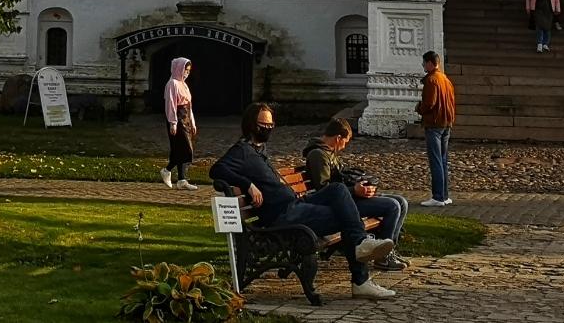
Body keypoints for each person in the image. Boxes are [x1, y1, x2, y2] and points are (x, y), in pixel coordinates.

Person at [210, 104, 399, 301]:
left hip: (296, 203)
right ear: (251, 124)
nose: (268, 128)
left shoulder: (258, 150)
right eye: (263, 124)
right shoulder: (241, 151)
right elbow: (216, 170)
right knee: (348, 218)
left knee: (338, 189)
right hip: (284, 215)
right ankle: (361, 279)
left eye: (271, 124)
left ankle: (361, 247)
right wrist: (247, 184)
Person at [301, 118, 407, 270]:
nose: (344, 146)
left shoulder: (329, 152)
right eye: (345, 141)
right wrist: (354, 190)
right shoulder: (318, 154)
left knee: (401, 201)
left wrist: (362, 186)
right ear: (338, 138)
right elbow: (324, 189)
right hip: (341, 205)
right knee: (393, 206)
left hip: (350, 197)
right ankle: (383, 257)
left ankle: (389, 250)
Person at [418, 50, 456, 206]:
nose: (423, 66)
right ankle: (445, 195)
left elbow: (429, 103)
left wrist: (419, 108)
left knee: (436, 161)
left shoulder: (432, 80)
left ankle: (438, 196)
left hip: (434, 123)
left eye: (424, 63)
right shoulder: (445, 79)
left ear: (430, 63)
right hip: (446, 122)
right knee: (443, 159)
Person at [161, 56, 197, 188]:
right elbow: (170, 104)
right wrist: (173, 122)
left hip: (186, 119)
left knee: (180, 148)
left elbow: (189, 106)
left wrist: (192, 123)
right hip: (177, 118)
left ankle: (181, 179)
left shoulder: (184, 85)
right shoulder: (172, 84)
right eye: (184, 70)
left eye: (188, 71)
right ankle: (167, 170)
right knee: (184, 148)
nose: (186, 73)